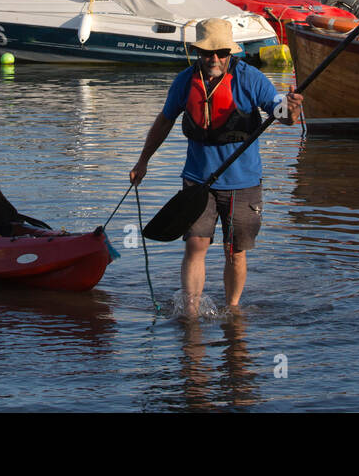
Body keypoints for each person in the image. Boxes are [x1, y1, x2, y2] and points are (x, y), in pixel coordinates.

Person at [129, 18, 302, 315]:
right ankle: (192, 311)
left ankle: (232, 310)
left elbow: (282, 112)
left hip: (243, 182)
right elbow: (165, 120)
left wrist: (292, 108)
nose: (215, 59)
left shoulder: (251, 79)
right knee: (195, 245)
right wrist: (142, 161)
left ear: (230, 53)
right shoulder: (185, 81)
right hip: (198, 182)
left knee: (234, 252)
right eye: (208, 53)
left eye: (222, 52)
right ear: (198, 52)